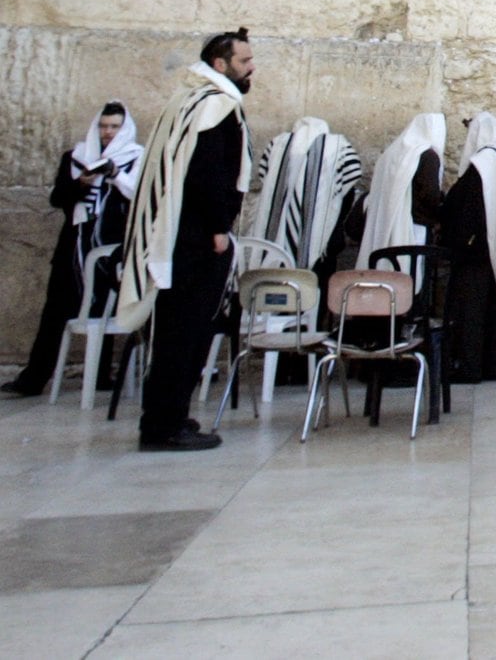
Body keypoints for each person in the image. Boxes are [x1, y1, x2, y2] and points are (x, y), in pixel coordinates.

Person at [116, 29, 256, 451]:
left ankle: (171, 417)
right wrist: (218, 228)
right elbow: (209, 174)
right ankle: (162, 426)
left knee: (182, 332)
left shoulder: (189, 102)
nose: (252, 68)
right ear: (221, 64)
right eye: (244, 61)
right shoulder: (216, 106)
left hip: (179, 233)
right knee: (184, 333)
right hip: (196, 241)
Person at [3, 102, 145, 398]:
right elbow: (58, 198)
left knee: (107, 309)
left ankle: (101, 376)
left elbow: (139, 196)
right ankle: (33, 379)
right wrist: (81, 183)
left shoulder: (135, 158)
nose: (107, 133)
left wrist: (115, 175)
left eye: (114, 127)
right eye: (103, 126)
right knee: (56, 311)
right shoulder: (77, 157)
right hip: (74, 246)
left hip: (113, 247)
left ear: (124, 129)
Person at [440, 112, 496, 384]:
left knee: (471, 311)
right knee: (492, 308)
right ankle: (491, 366)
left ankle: (470, 367)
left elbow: (463, 205)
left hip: (476, 249)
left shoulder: (483, 162)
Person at [246, 117, 364, 277]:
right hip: (325, 235)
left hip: (272, 232)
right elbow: (348, 184)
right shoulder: (337, 147)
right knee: (315, 288)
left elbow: (264, 176)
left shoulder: (279, 144)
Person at [355, 112, 446, 286]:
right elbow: (430, 195)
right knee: (408, 273)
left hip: (382, 221)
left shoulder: (392, 153)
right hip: (414, 227)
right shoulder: (428, 157)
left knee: (383, 264)